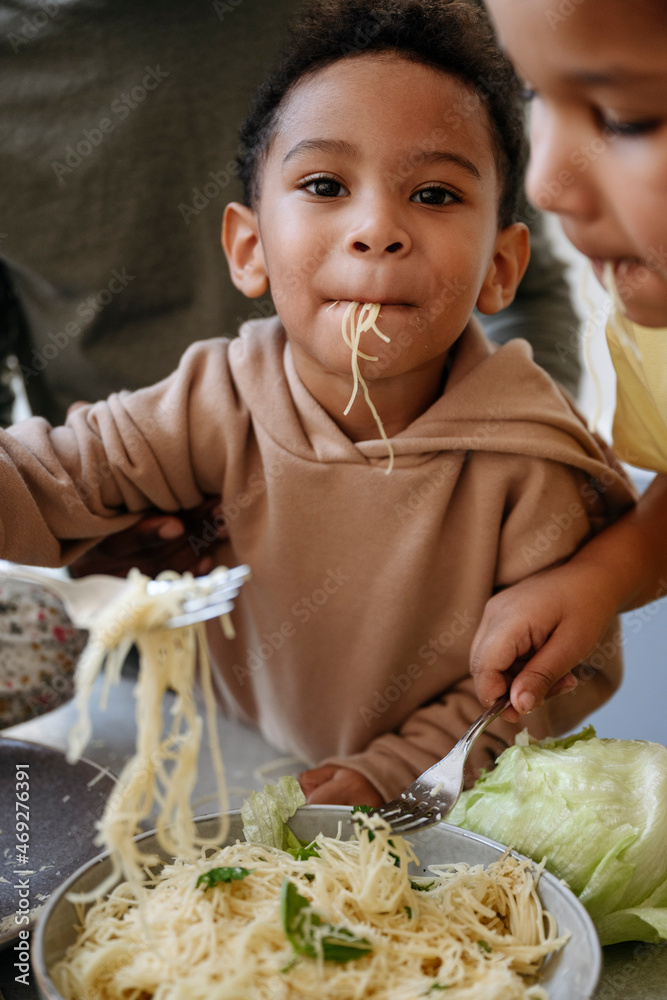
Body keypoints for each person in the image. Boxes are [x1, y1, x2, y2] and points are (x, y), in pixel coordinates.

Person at [0, 0, 635, 805]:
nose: (376, 228)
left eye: (435, 195)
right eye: (326, 184)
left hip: (441, 812)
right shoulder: (212, 399)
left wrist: (392, 772)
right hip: (216, 749)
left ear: (500, 269)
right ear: (249, 247)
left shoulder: (528, 460)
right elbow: (43, 481)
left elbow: (539, 683)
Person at [470, 0, 667, 723]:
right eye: (533, 96)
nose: (546, 181)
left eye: (622, 117)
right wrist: (602, 576)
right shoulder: (649, 325)